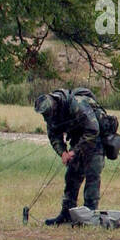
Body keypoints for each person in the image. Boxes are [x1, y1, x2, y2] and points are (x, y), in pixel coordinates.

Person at [33, 89, 102, 226]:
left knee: (92, 175)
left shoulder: (77, 105)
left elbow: (93, 130)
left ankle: (88, 216)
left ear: (55, 106)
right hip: (78, 139)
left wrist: (74, 152)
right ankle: (67, 214)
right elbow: (54, 136)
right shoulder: (51, 114)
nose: (47, 118)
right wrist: (63, 152)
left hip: (95, 139)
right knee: (71, 175)